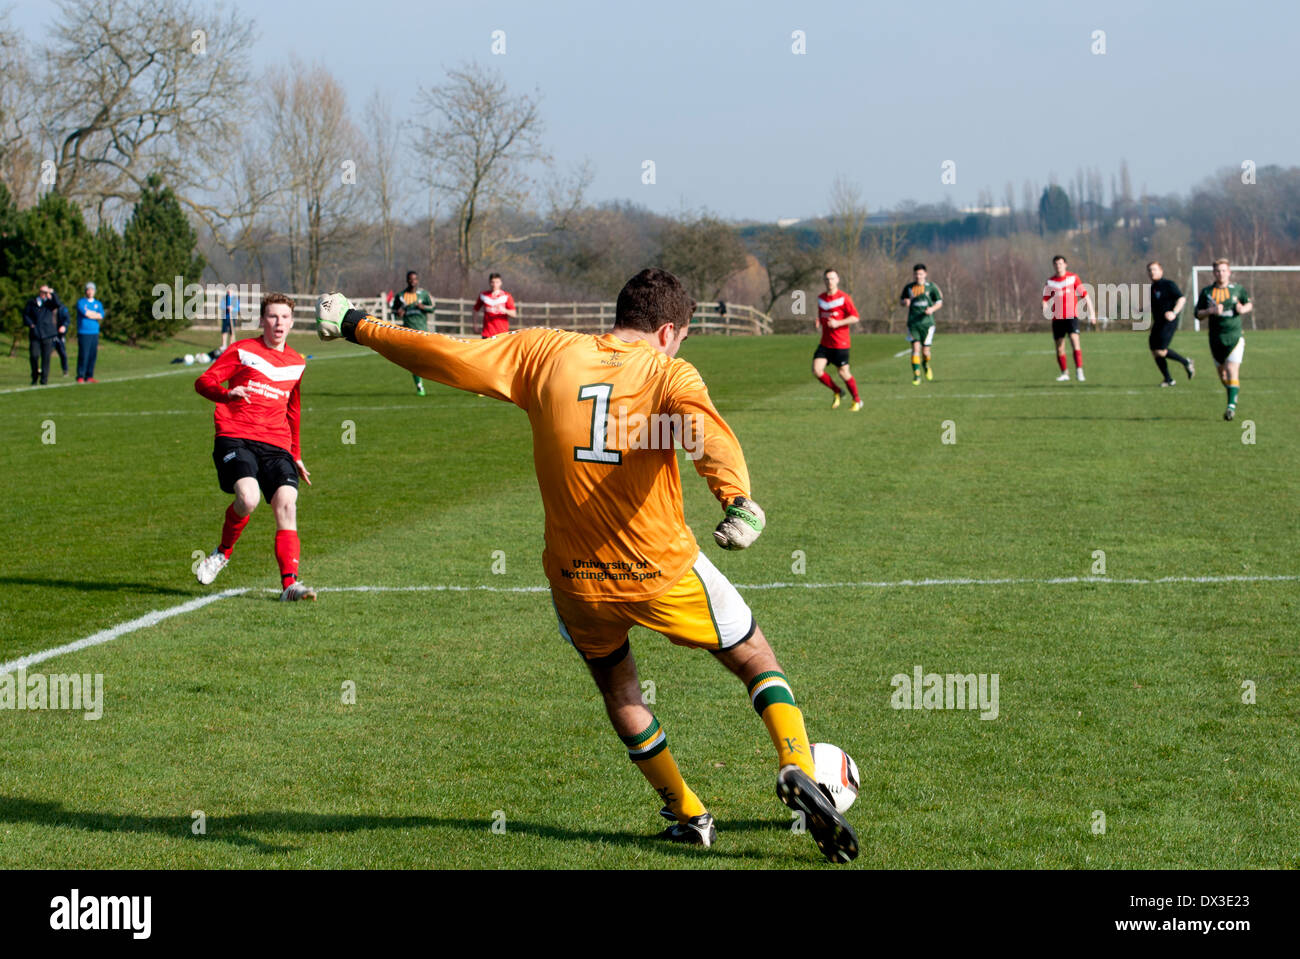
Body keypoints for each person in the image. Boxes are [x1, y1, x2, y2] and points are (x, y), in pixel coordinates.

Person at [314, 269, 859, 863]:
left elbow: (446, 353)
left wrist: (355, 325)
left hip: (577, 581)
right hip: (661, 570)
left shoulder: (543, 352)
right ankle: (797, 765)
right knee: (756, 658)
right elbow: (703, 432)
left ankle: (687, 811)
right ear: (669, 330)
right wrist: (737, 501)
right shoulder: (669, 371)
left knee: (621, 688)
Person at [193, 292, 316, 601]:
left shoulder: (297, 364)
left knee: (287, 503)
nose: (279, 323)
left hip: (276, 444)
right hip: (235, 435)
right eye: (273, 316)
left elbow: (294, 411)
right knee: (247, 499)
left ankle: (289, 585)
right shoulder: (243, 351)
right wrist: (227, 395)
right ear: (262, 321)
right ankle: (222, 552)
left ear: (291, 323)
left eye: (285, 317)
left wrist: (296, 454)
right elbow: (204, 382)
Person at [1195, 258, 1252, 421]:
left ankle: (1230, 407)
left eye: (1223, 270)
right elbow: (1198, 314)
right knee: (1223, 376)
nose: (1220, 273)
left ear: (1229, 272)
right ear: (1214, 273)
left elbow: (1249, 304)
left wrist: (1243, 308)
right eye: (1217, 271)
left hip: (1235, 337)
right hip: (1215, 339)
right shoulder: (1207, 292)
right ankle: (1233, 393)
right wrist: (1211, 311)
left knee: (1232, 370)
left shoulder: (1238, 290)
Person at [813, 269, 863, 411]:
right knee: (817, 370)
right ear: (824, 281)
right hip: (825, 343)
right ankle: (837, 391)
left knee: (843, 373)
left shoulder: (844, 298)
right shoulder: (821, 298)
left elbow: (855, 317)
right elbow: (822, 315)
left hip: (840, 343)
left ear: (838, 280)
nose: (830, 282)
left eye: (832, 278)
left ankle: (857, 400)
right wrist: (818, 321)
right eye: (827, 279)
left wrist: (838, 323)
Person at [1042, 255, 1093, 381]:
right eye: (1056, 264)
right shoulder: (1050, 282)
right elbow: (1045, 299)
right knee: (1059, 347)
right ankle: (1065, 373)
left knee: (1074, 339)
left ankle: (1079, 371)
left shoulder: (1073, 278)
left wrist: (1092, 313)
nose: (1058, 266)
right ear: (1053, 266)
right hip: (1057, 318)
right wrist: (1044, 307)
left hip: (1071, 316)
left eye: (1060, 263)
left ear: (1065, 264)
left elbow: (1085, 296)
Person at [1145, 262, 1193, 386]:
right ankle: (1168, 379)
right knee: (1154, 350)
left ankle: (1186, 362)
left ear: (1161, 271)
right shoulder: (1153, 287)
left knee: (1160, 350)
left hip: (1168, 322)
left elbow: (1181, 299)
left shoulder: (1168, 284)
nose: (1152, 272)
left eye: (1154, 270)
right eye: (1150, 270)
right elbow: (1156, 305)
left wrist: (1174, 312)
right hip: (1158, 323)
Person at [899, 264, 943, 385]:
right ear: (913, 275)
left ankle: (926, 364)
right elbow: (902, 301)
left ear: (925, 274)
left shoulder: (931, 287)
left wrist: (932, 309)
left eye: (920, 274)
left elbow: (939, 302)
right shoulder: (909, 288)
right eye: (916, 274)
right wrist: (905, 302)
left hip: (927, 324)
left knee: (925, 352)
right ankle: (916, 375)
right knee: (915, 349)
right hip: (913, 324)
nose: (918, 276)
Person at [393, 270, 435, 395]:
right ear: (407, 280)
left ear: (418, 280)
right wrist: (398, 313)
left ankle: (432, 376)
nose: (413, 282)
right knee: (414, 361)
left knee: (428, 358)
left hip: (423, 331)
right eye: (410, 279)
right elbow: (394, 310)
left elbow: (432, 308)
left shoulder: (424, 294)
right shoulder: (400, 296)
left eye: (415, 279)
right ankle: (419, 387)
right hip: (408, 332)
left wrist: (424, 307)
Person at [22, 284, 67, 386]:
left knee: (46, 358)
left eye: (46, 292)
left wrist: (52, 293)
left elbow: (57, 303)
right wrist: (31, 325)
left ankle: (44, 379)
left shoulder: (49, 304)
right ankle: (34, 376)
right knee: (34, 355)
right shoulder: (32, 303)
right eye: (43, 292)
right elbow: (26, 315)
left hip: (48, 334)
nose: (44, 294)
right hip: (35, 334)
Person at [75, 282, 105, 383]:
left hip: (94, 332)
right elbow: (86, 314)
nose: (90, 291)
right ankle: (80, 376)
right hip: (84, 332)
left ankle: (89, 376)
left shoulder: (98, 303)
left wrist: (92, 314)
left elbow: (101, 315)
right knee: (84, 354)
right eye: (88, 289)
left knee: (93, 355)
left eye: (92, 289)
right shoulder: (81, 302)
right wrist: (93, 314)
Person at [472, 272, 517, 338]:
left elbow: (514, 314)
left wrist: (504, 310)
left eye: (497, 282)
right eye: (492, 282)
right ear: (489, 283)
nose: (494, 284)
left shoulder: (506, 296)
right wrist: (475, 325)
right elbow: (475, 310)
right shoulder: (484, 295)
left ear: (501, 283)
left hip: (502, 334)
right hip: (487, 333)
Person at [221, 287, 241, 353]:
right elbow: (221, 306)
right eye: (228, 292)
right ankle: (224, 345)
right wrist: (227, 308)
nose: (229, 293)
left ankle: (231, 344)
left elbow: (238, 308)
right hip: (226, 316)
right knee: (224, 331)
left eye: (230, 292)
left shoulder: (235, 299)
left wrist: (233, 309)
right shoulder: (225, 298)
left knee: (232, 331)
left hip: (233, 317)